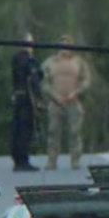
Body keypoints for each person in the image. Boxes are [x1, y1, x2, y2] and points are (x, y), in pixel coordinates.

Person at [42, 34, 93, 170]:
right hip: (55, 102)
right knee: (53, 132)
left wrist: (76, 92)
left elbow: (86, 80)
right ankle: (51, 161)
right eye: (63, 44)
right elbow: (44, 82)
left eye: (68, 44)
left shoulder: (79, 62)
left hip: (73, 101)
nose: (65, 47)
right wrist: (54, 95)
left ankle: (75, 160)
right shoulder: (50, 62)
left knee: (75, 132)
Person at [10, 32, 44, 171]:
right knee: (25, 129)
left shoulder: (15, 59)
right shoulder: (29, 61)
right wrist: (39, 99)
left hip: (18, 97)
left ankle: (17, 159)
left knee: (17, 128)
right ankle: (23, 161)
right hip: (27, 99)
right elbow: (34, 80)